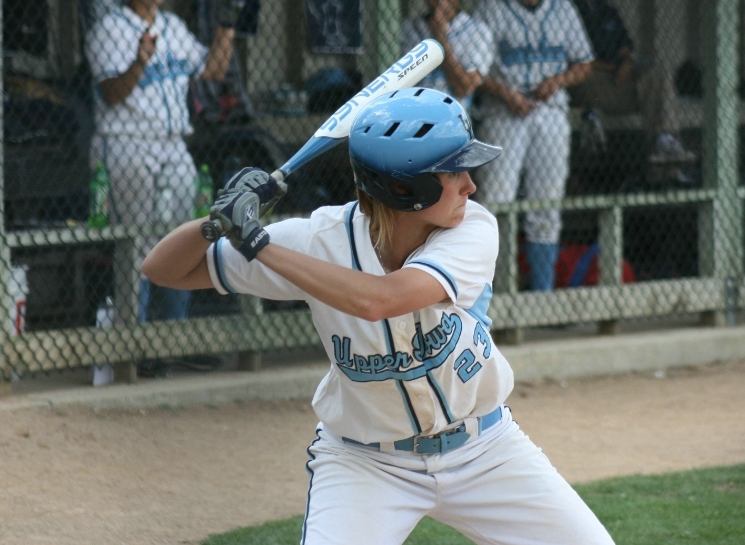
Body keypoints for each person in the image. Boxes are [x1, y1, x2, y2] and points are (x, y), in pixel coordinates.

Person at [141, 88, 615, 545]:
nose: (471, 185)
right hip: (366, 464)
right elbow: (162, 269)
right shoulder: (319, 240)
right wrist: (216, 222)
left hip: (485, 451)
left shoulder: (472, 227)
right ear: (407, 188)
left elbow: (379, 300)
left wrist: (259, 244)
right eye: (454, 172)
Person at [84, 0, 243, 326]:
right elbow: (112, 92)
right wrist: (139, 62)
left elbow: (213, 70)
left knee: (185, 240)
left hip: (173, 145)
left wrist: (227, 26)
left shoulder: (173, 26)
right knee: (136, 245)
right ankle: (132, 333)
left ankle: (175, 331)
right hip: (126, 142)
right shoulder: (108, 28)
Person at [473, 0, 594, 291]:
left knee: (547, 205)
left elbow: (585, 63)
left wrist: (558, 81)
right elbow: (472, 69)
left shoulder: (562, 8)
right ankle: (491, 291)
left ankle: (543, 293)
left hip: (550, 111)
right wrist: (507, 94)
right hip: (503, 113)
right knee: (494, 203)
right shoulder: (491, 8)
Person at [569, 0, 696, 164]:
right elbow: (574, 60)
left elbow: (625, 48)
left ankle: (665, 140)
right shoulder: (568, 8)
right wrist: (612, 67)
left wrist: (626, 63)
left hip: (615, 81)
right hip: (588, 79)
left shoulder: (607, 10)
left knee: (656, 70)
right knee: (584, 73)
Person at [401, 0, 494, 111]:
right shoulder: (408, 28)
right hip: (412, 114)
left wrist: (441, 38)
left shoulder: (477, 31)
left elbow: (463, 88)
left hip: (451, 117)